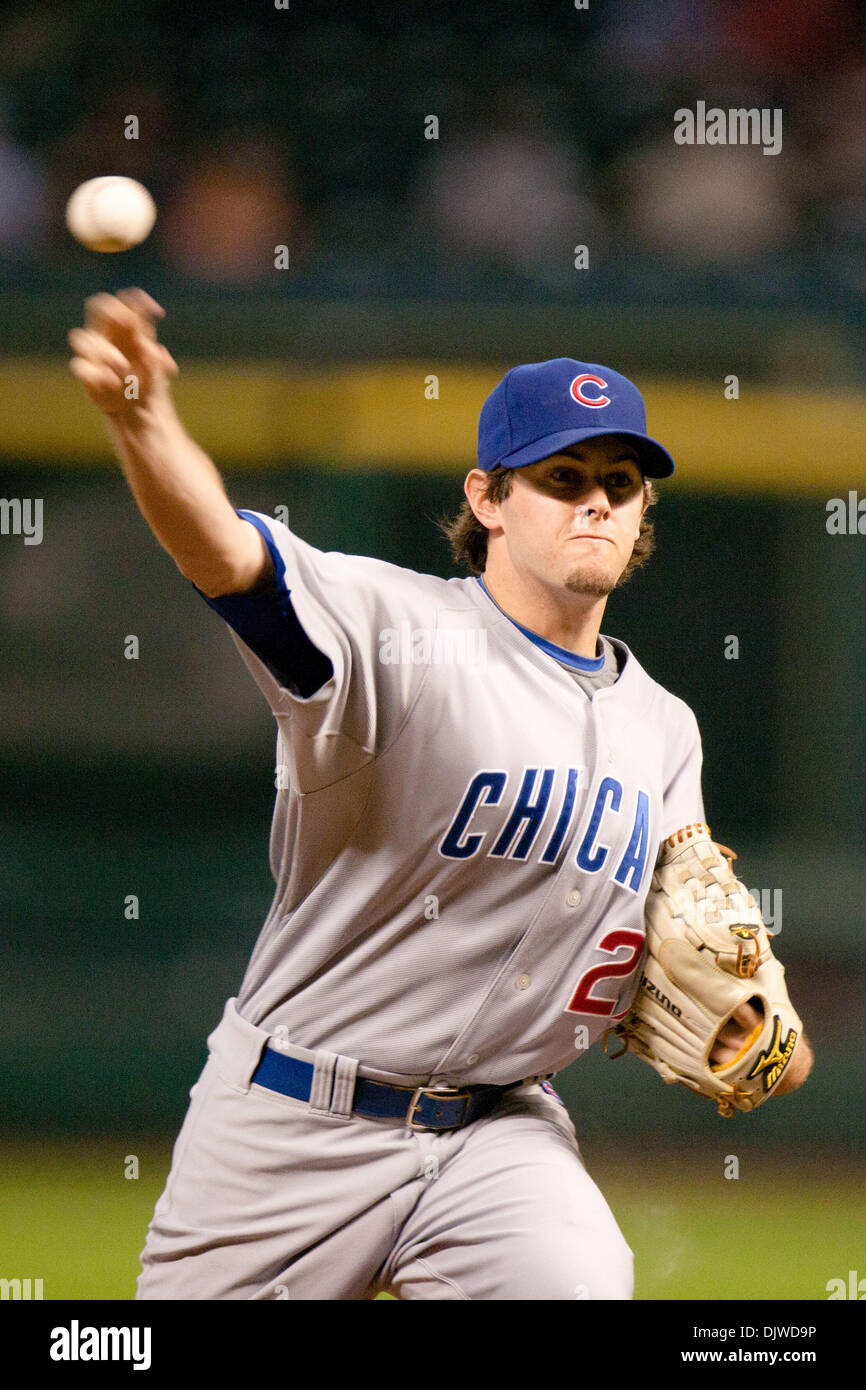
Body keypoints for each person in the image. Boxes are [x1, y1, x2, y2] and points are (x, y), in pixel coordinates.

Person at [68, 290, 812, 1301]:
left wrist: (749, 1019)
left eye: (620, 482)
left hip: (499, 1137)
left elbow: (679, 916)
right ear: (488, 498)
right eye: (561, 476)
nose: (596, 499)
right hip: (294, 1120)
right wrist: (145, 422)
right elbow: (224, 556)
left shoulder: (662, 726)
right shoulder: (393, 630)